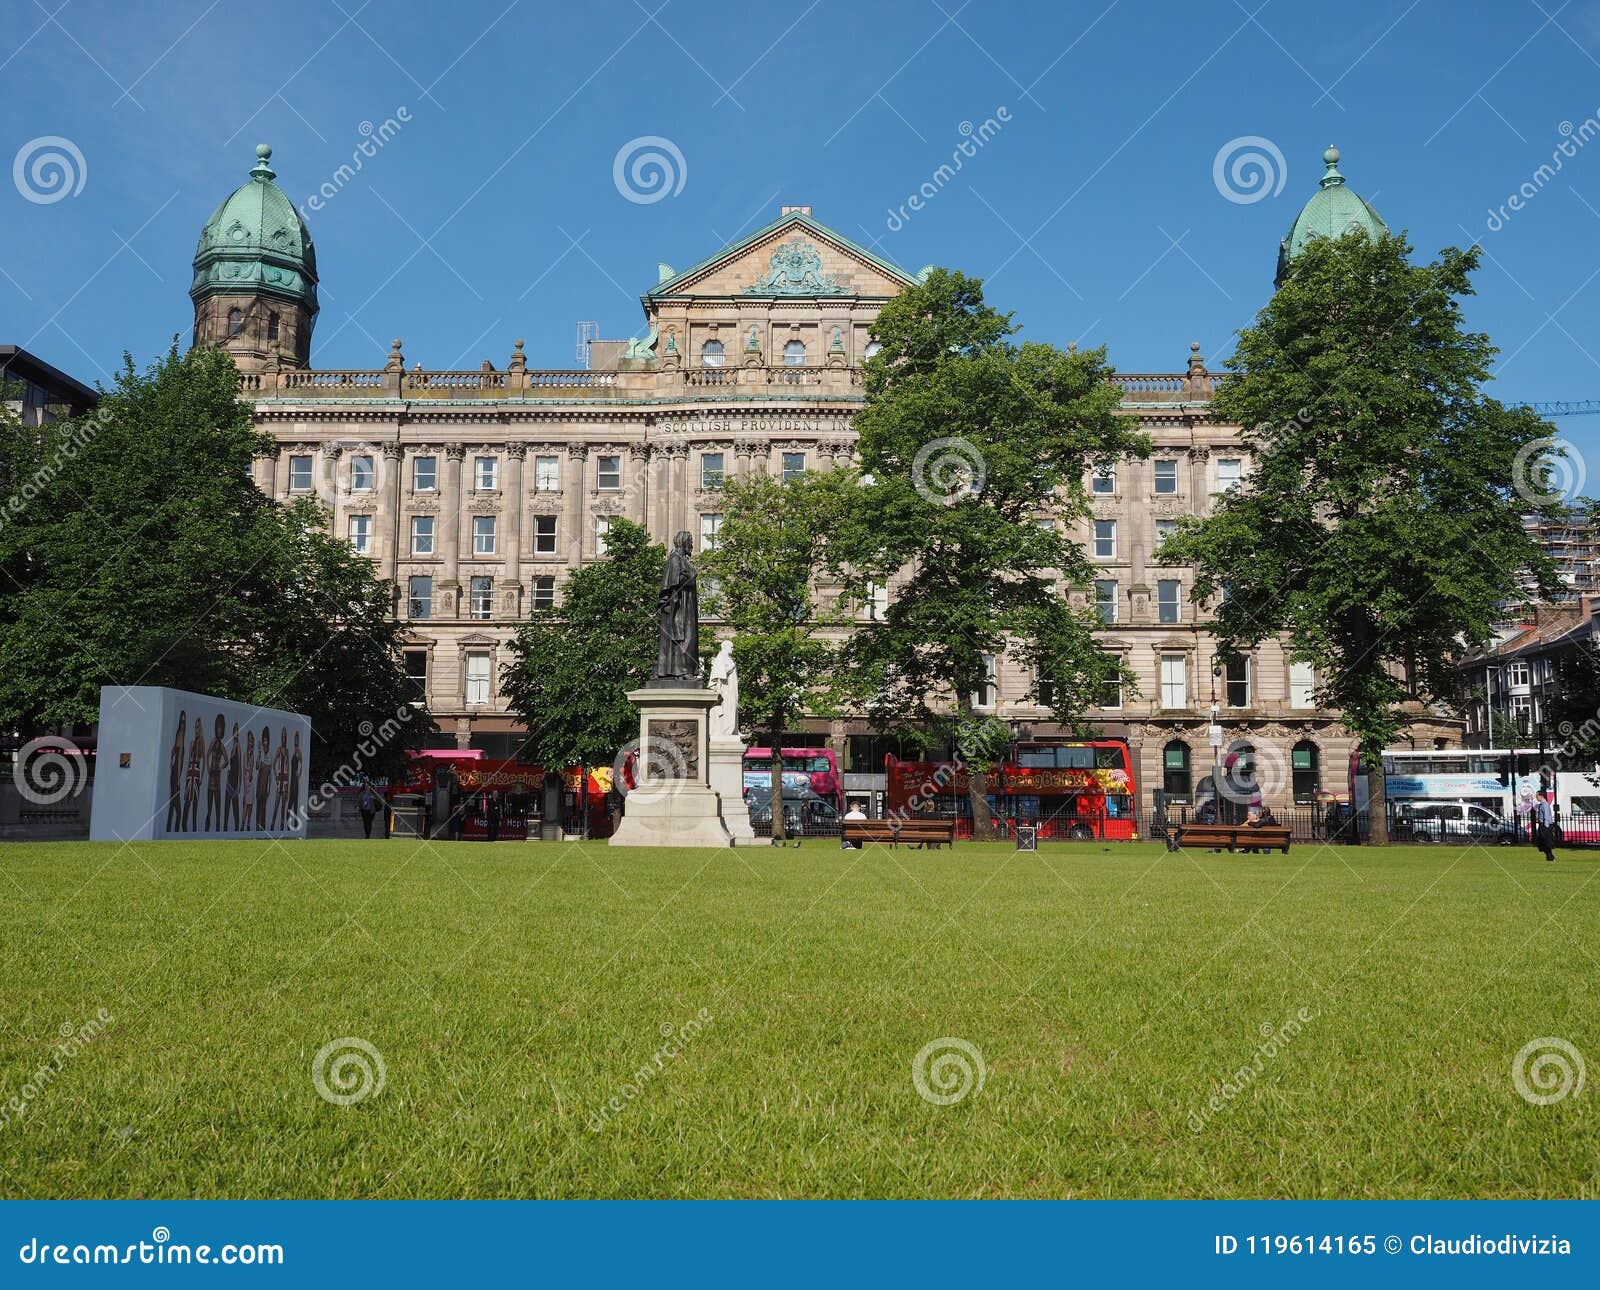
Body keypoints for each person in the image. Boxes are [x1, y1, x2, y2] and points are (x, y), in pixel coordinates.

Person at [166, 713, 186, 834]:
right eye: (182, 722)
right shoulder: (181, 735)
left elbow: (173, 753)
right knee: (177, 809)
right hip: (176, 775)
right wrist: (178, 777)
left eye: (184, 722)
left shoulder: (178, 735)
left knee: (172, 806)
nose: (183, 725)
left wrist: (171, 768)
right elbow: (178, 760)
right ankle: (175, 831)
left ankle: (169, 830)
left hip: (174, 773)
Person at [1532, 793, 1557, 862]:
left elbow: (1546, 815)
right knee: (1542, 842)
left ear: (1541, 796)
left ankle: (1551, 857)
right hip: (1542, 825)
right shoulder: (1541, 805)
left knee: (1546, 842)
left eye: (1537, 796)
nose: (1536, 798)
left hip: (1545, 826)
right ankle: (1550, 857)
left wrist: (1546, 827)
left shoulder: (1545, 804)